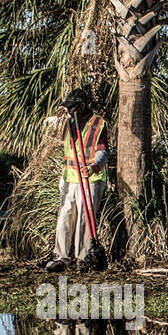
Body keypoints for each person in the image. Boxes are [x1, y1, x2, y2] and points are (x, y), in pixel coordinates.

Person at [46, 88, 109, 273]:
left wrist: (93, 166)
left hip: (91, 178)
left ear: (81, 106)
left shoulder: (98, 123)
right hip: (70, 178)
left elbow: (103, 151)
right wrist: (63, 177)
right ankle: (61, 257)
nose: (68, 111)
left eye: (71, 107)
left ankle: (84, 258)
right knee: (64, 217)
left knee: (85, 219)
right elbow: (68, 151)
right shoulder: (69, 124)